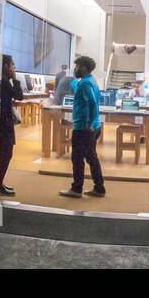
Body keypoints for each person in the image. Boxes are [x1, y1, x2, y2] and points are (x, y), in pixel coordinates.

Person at [59, 55, 105, 198]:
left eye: (77, 66)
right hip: (91, 126)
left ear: (84, 68)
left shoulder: (85, 84)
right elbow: (82, 91)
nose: (75, 69)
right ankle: (99, 188)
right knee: (91, 157)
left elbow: (91, 103)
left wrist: (89, 124)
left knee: (77, 158)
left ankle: (77, 189)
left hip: (84, 128)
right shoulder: (89, 81)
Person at [0, 54, 24, 196]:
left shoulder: (3, 81)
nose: (13, 68)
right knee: (6, 153)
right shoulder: (6, 81)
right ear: (6, 66)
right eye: (12, 65)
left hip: (4, 121)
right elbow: (19, 96)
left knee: (5, 153)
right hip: (5, 123)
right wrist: (15, 78)